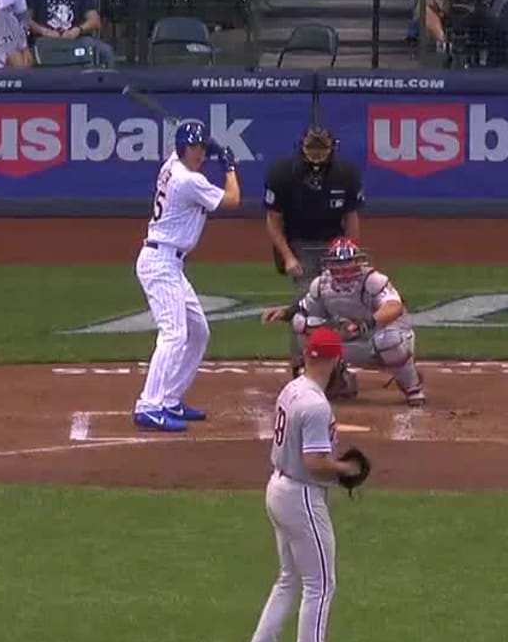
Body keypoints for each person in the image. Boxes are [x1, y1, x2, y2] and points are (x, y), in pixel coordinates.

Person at [240, 325, 364, 642]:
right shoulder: (315, 404)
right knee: (321, 584)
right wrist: (346, 470)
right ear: (335, 358)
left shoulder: (292, 388)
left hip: (278, 488)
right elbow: (315, 462)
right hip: (302, 496)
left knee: (290, 578)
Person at [130, 120, 242, 433]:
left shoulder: (171, 166)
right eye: (194, 148)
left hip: (170, 263)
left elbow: (187, 156)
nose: (199, 154)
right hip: (160, 261)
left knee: (198, 331)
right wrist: (229, 165)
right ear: (182, 148)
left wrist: (207, 146)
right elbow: (233, 200)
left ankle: (169, 397)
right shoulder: (186, 181)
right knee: (174, 334)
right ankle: (149, 405)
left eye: (202, 148)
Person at [261, 238, 425, 407]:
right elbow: (305, 308)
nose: (343, 267)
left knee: (389, 340)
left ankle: (412, 387)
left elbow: (394, 307)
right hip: (345, 337)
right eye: (338, 263)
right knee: (300, 322)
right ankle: (337, 378)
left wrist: (366, 324)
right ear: (330, 265)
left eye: (348, 262)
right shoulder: (322, 284)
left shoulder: (373, 280)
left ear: (357, 261)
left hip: (379, 338)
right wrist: (285, 312)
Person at [263, 124, 364, 380]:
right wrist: (287, 256)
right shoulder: (283, 174)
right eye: (312, 148)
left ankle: (334, 365)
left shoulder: (346, 175)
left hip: (333, 245)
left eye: (322, 149)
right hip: (299, 243)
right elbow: (274, 219)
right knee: (307, 303)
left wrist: (350, 254)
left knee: (339, 303)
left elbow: (351, 218)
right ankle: (301, 366)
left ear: (332, 148)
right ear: (302, 147)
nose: (317, 154)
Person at [24, 0, 112, 65]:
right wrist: (44, 31)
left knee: (105, 51)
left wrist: (78, 30)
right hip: (43, 41)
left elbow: (95, 21)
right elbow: (25, 20)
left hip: (76, 41)